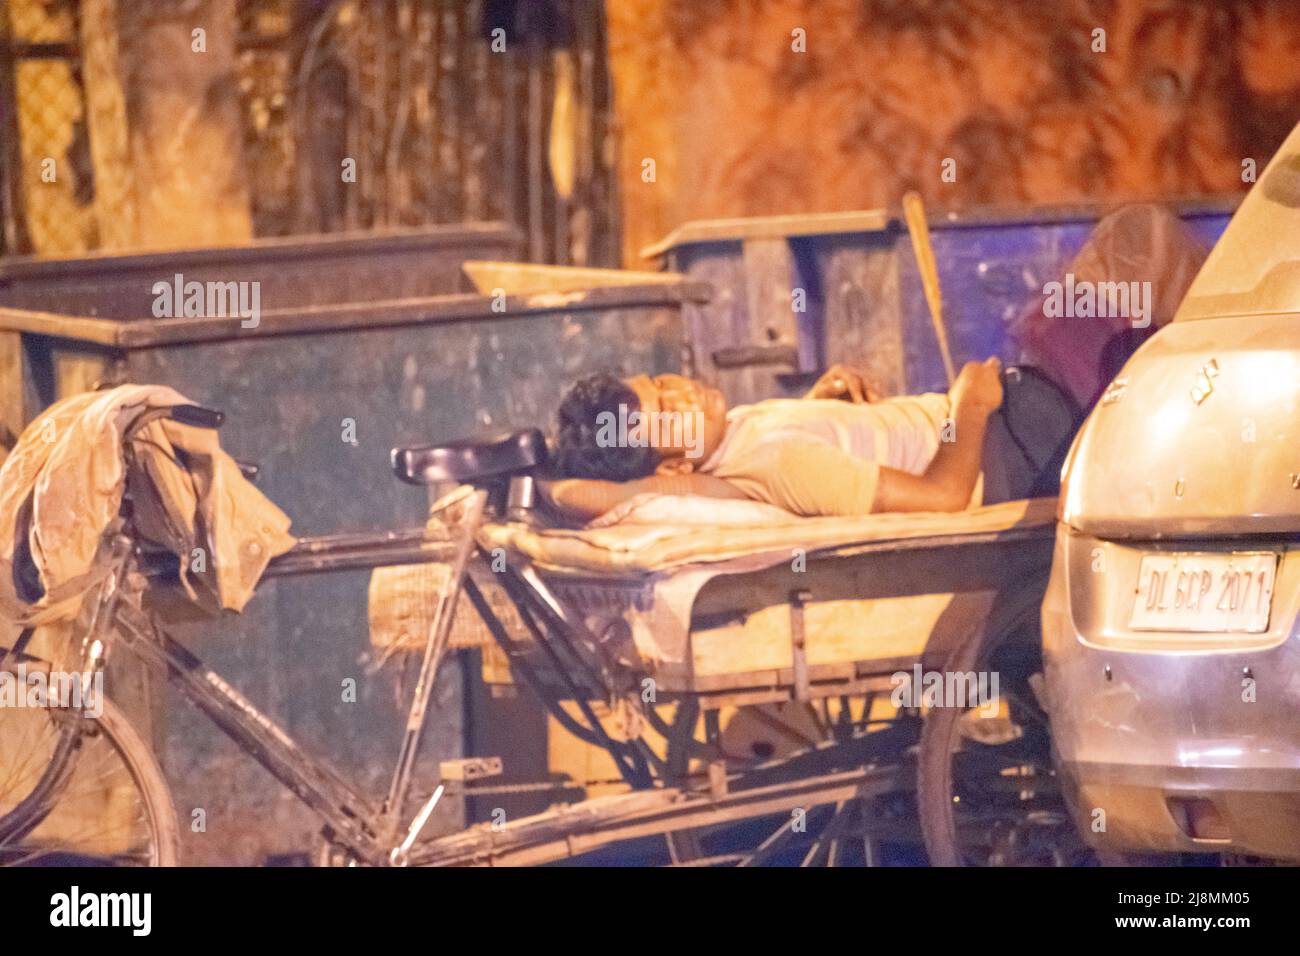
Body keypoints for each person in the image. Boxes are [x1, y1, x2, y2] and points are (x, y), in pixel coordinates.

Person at [545, 358, 1004, 522]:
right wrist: (970, 404)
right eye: (668, 412)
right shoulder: (779, 465)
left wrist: (815, 406)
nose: (682, 390)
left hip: (988, 429)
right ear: (673, 469)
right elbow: (944, 497)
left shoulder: (726, 437)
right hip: (1001, 451)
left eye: (660, 382)